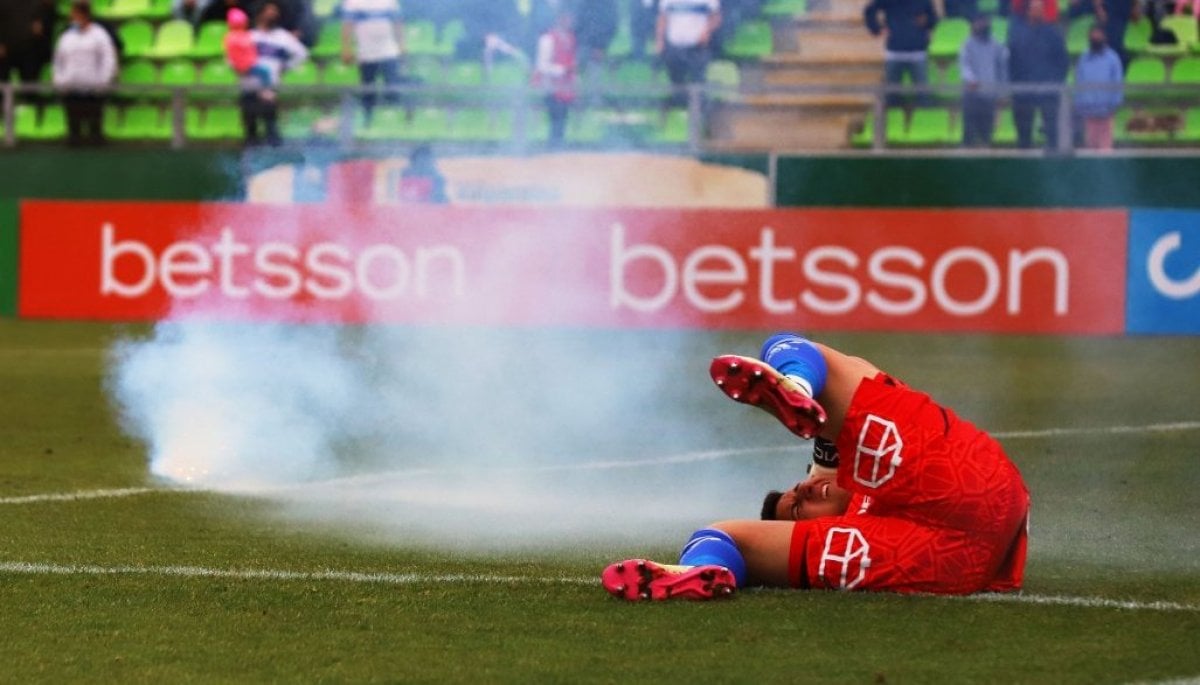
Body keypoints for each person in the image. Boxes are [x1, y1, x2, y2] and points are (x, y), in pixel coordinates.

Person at [602, 333, 1030, 600]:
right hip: (968, 499)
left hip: (949, 560)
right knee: (799, 349)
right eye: (796, 512)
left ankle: (796, 387)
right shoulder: (847, 524)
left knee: (730, 532)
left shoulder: (853, 479)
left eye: (795, 489)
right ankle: (698, 576)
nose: (801, 494)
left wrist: (823, 463)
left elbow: (824, 474)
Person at [238, 2, 307, 146]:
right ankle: (251, 162)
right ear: (260, 14)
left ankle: (275, 160)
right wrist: (241, 68)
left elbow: (301, 54)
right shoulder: (249, 36)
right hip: (249, 87)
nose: (272, 14)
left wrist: (285, 66)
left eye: (274, 11)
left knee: (271, 128)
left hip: (270, 88)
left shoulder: (282, 37)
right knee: (251, 130)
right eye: (268, 11)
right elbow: (233, 58)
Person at [53, 1, 117, 147]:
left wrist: (104, 81)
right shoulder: (66, 36)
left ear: (84, 15)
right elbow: (58, 60)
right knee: (73, 128)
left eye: (74, 14)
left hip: (93, 87)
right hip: (71, 87)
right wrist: (59, 80)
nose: (71, 17)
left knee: (94, 128)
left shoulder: (100, 35)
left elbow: (108, 59)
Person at [1007, 0, 1069, 150]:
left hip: (1048, 90)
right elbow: (1011, 61)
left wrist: (1054, 81)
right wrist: (1016, 84)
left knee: (1052, 133)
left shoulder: (1053, 33)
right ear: (1028, 11)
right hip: (1023, 91)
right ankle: (1024, 161)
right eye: (1035, 8)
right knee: (1023, 134)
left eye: (1041, 8)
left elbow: (1063, 61)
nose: (1039, 11)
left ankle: (1053, 165)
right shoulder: (1017, 33)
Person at [338, 0, 405, 125]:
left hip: (389, 51)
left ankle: (393, 122)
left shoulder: (390, 2)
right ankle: (368, 122)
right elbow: (347, 25)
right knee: (368, 91)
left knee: (392, 89)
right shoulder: (353, 2)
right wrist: (346, 48)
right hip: (366, 53)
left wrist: (401, 45)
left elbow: (398, 23)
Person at [864, 0, 939, 107]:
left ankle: (924, 120)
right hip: (895, 52)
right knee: (892, 97)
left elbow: (934, 19)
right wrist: (876, 29)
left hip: (917, 52)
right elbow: (869, 10)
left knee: (923, 96)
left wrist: (926, 22)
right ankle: (892, 121)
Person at [657, 0, 722, 108]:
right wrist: (660, 40)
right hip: (674, 46)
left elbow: (716, 18)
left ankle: (698, 111)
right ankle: (679, 109)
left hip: (697, 48)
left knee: (698, 81)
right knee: (676, 81)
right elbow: (663, 18)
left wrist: (706, 32)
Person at [959, 14, 1008, 147]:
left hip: (989, 95)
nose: (982, 25)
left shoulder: (996, 45)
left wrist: (1002, 93)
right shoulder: (967, 44)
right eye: (979, 23)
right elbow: (965, 66)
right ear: (974, 25)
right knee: (968, 134)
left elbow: (1002, 69)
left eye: (985, 23)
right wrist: (971, 80)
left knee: (987, 134)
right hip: (971, 95)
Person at [1073, 24, 1124, 151]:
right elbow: (1078, 82)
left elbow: (1117, 83)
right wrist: (1080, 105)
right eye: (1093, 36)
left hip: (1106, 112)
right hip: (1088, 112)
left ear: (1104, 37)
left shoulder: (1113, 58)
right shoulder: (1083, 58)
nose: (1095, 38)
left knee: (1105, 150)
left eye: (1098, 35)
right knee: (1090, 149)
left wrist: (1113, 105)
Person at [532, 10, 577, 147]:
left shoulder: (570, 38)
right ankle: (553, 145)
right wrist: (562, 70)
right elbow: (542, 65)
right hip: (550, 84)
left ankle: (559, 144)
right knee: (556, 115)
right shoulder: (547, 39)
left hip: (566, 85)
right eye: (566, 18)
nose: (569, 21)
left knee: (563, 116)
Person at [225, 8, 275, 100]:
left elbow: (251, 49)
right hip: (244, 66)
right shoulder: (232, 37)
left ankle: (265, 91)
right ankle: (265, 91)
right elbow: (233, 54)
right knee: (265, 71)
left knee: (265, 71)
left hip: (249, 65)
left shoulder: (245, 35)